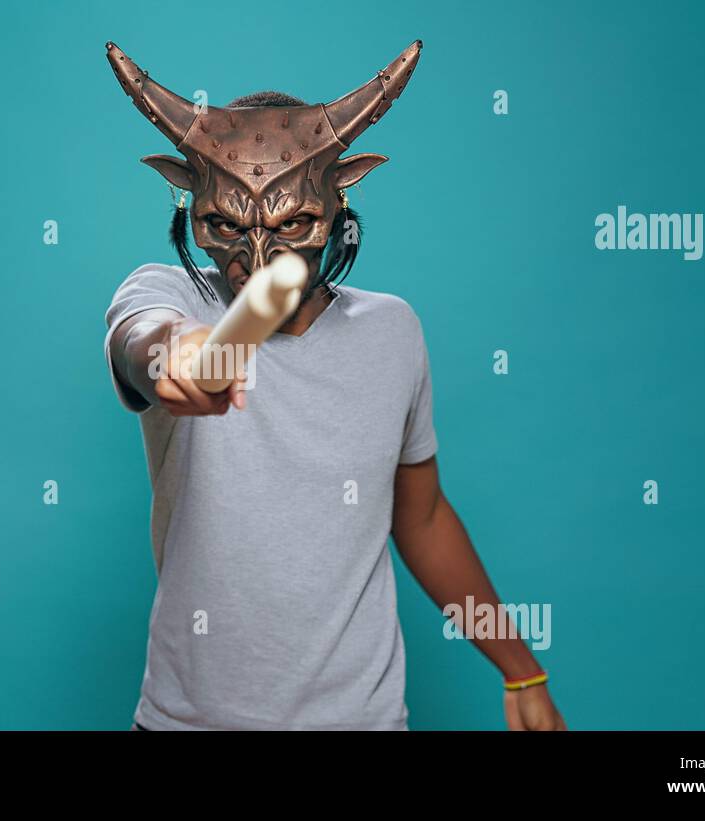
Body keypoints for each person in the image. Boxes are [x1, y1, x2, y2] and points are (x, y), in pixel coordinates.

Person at [103, 40, 566, 731]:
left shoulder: (393, 331)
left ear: (338, 200)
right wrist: (177, 357)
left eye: (292, 223)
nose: (256, 260)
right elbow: (141, 340)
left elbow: (423, 516)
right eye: (226, 226)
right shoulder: (170, 294)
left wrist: (520, 666)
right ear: (191, 207)